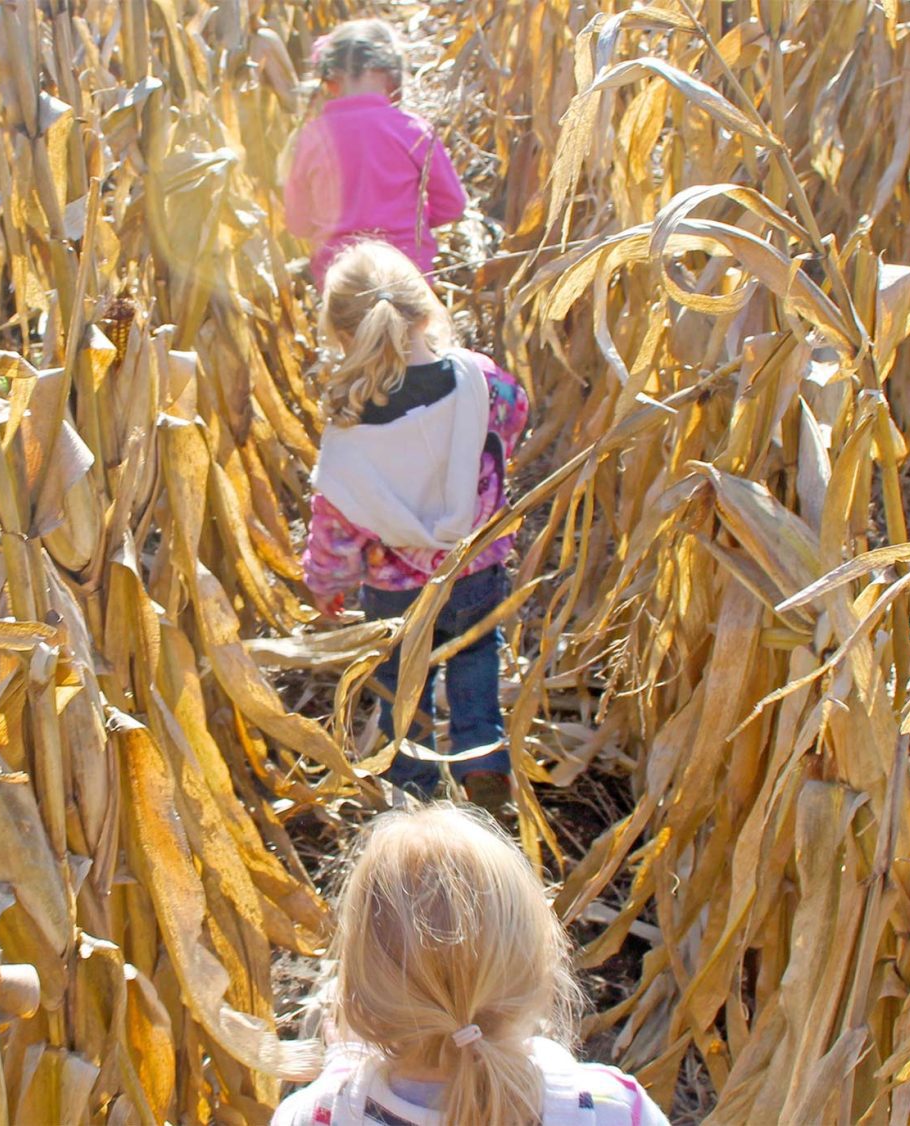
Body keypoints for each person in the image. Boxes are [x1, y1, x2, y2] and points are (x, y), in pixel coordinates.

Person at [273, 805, 669, 1126]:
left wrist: (340, 1073)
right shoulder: (613, 1109)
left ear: (356, 998)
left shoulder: (312, 1117)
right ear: (540, 970)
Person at [302, 241, 526, 806]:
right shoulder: (482, 382)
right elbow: (513, 417)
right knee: (474, 658)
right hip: (477, 570)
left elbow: (338, 524)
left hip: (397, 593)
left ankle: (414, 789)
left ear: (344, 336)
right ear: (424, 310)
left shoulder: (352, 432)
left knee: (406, 687)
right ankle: (484, 755)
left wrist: (327, 582)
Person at [283, 19, 468, 284]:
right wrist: (410, 221)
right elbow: (453, 205)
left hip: (339, 273)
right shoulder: (413, 130)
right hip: (407, 269)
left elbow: (298, 223)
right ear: (391, 76)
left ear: (330, 80)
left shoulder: (311, 137)